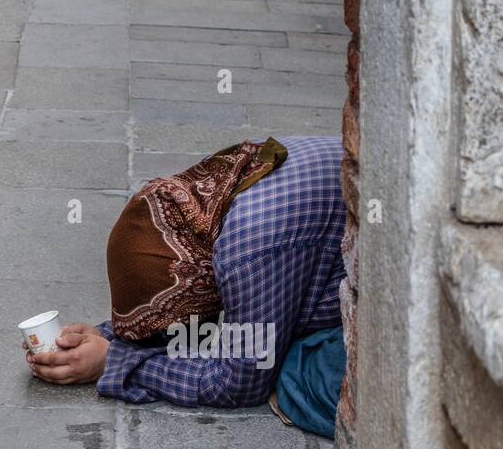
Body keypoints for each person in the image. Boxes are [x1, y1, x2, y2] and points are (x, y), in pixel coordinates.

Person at [28, 136, 346, 432]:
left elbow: (239, 384)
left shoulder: (245, 253)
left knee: (297, 373)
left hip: (385, 291)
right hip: (333, 227)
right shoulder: (203, 203)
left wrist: (112, 362)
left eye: (165, 325)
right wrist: (108, 333)